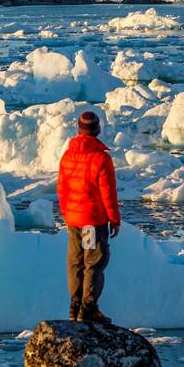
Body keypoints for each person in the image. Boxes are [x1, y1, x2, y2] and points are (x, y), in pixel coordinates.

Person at [56, 110, 120, 324]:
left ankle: (74, 307)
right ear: (98, 129)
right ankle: (88, 308)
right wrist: (114, 219)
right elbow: (108, 193)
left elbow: (61, 189)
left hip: (74, 219)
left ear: (79, 129)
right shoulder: (101, 158)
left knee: (75, 262)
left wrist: (66, 214)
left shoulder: (67, 156)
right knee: (93, 262)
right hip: (92, 221)